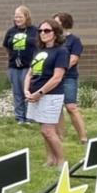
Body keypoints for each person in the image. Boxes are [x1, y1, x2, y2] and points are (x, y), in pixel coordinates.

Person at [25, 19, 70, 168]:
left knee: (48, 130)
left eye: (47, 31)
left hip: (51, 95)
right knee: (44, 131)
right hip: (35, 95)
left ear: (55, 33)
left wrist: (40, 92)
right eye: (40, 31)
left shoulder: (61, 51)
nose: (42, 33)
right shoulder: (39, 51)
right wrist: (26, 90)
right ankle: (50, 159)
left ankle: (62, 161)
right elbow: (30, 73)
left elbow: (57, 78)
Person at [54, 12, 89, 144]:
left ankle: (83, 136)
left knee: (71, 107)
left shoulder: (74, 40)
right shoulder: (54, 40)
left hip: (68, 78)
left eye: (57, 22)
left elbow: (73, 59)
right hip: (54, 78)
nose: (54, 25)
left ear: (65, 24)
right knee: (57, 108)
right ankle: (60, 137)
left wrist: (60, 69)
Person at [3, 6, 37, 125]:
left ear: (26, 17)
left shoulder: (34, 31)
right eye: (16, 16)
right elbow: (7, 46)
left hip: (28, 67)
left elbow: (38, 47)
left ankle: (29, 117)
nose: (17, 19)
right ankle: (19, 117)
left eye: (20, 16)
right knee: (17, 92)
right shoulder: (11, 31)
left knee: (27, 91)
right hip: (14, 67)